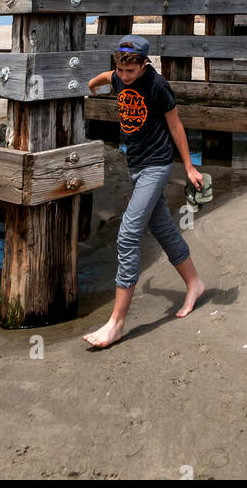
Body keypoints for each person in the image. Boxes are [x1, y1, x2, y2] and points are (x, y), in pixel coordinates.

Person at [83, 35, 205, 349]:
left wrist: (190, 168)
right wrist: (92, 84)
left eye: (131, 72)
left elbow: (177, 127)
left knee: (128, 234)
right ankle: (194, 283)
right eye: (121, 71)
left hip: (157, 164)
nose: (124, 77)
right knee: (161, 226)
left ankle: (117, 322)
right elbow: (105, 77)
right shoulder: (119, 74)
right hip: (134, 164)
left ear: (144, 64)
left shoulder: (157, 85)